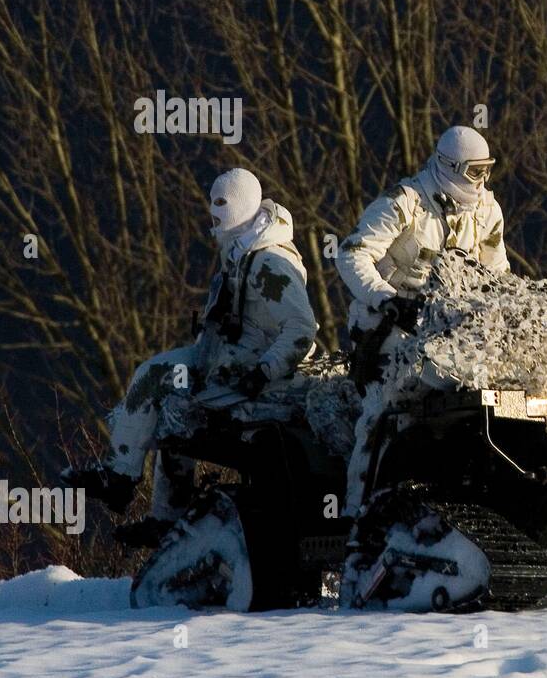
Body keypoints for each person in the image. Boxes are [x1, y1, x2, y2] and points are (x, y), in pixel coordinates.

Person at [62, 169, 318, 542]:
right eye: (211, 202)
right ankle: (122, 476)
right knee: (153, 374)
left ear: (242, 206)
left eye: (221, 204)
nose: (212, 213)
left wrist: (262, 373)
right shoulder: (242, 248)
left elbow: (302, 328)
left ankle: (151, 504)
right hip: (224, 358)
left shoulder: (268, 262)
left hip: (257, 375)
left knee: (176, 412)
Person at [337, 125, 509, 513]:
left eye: (486, 170)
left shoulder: (487, 212)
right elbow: (350, 254)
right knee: (383, 412)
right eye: (474, 171)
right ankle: (356, 516)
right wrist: (388, 300)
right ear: (450, 166)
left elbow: (498, 276)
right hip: (386, 324)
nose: (481, 181)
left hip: (447, 330)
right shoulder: (406, 203)